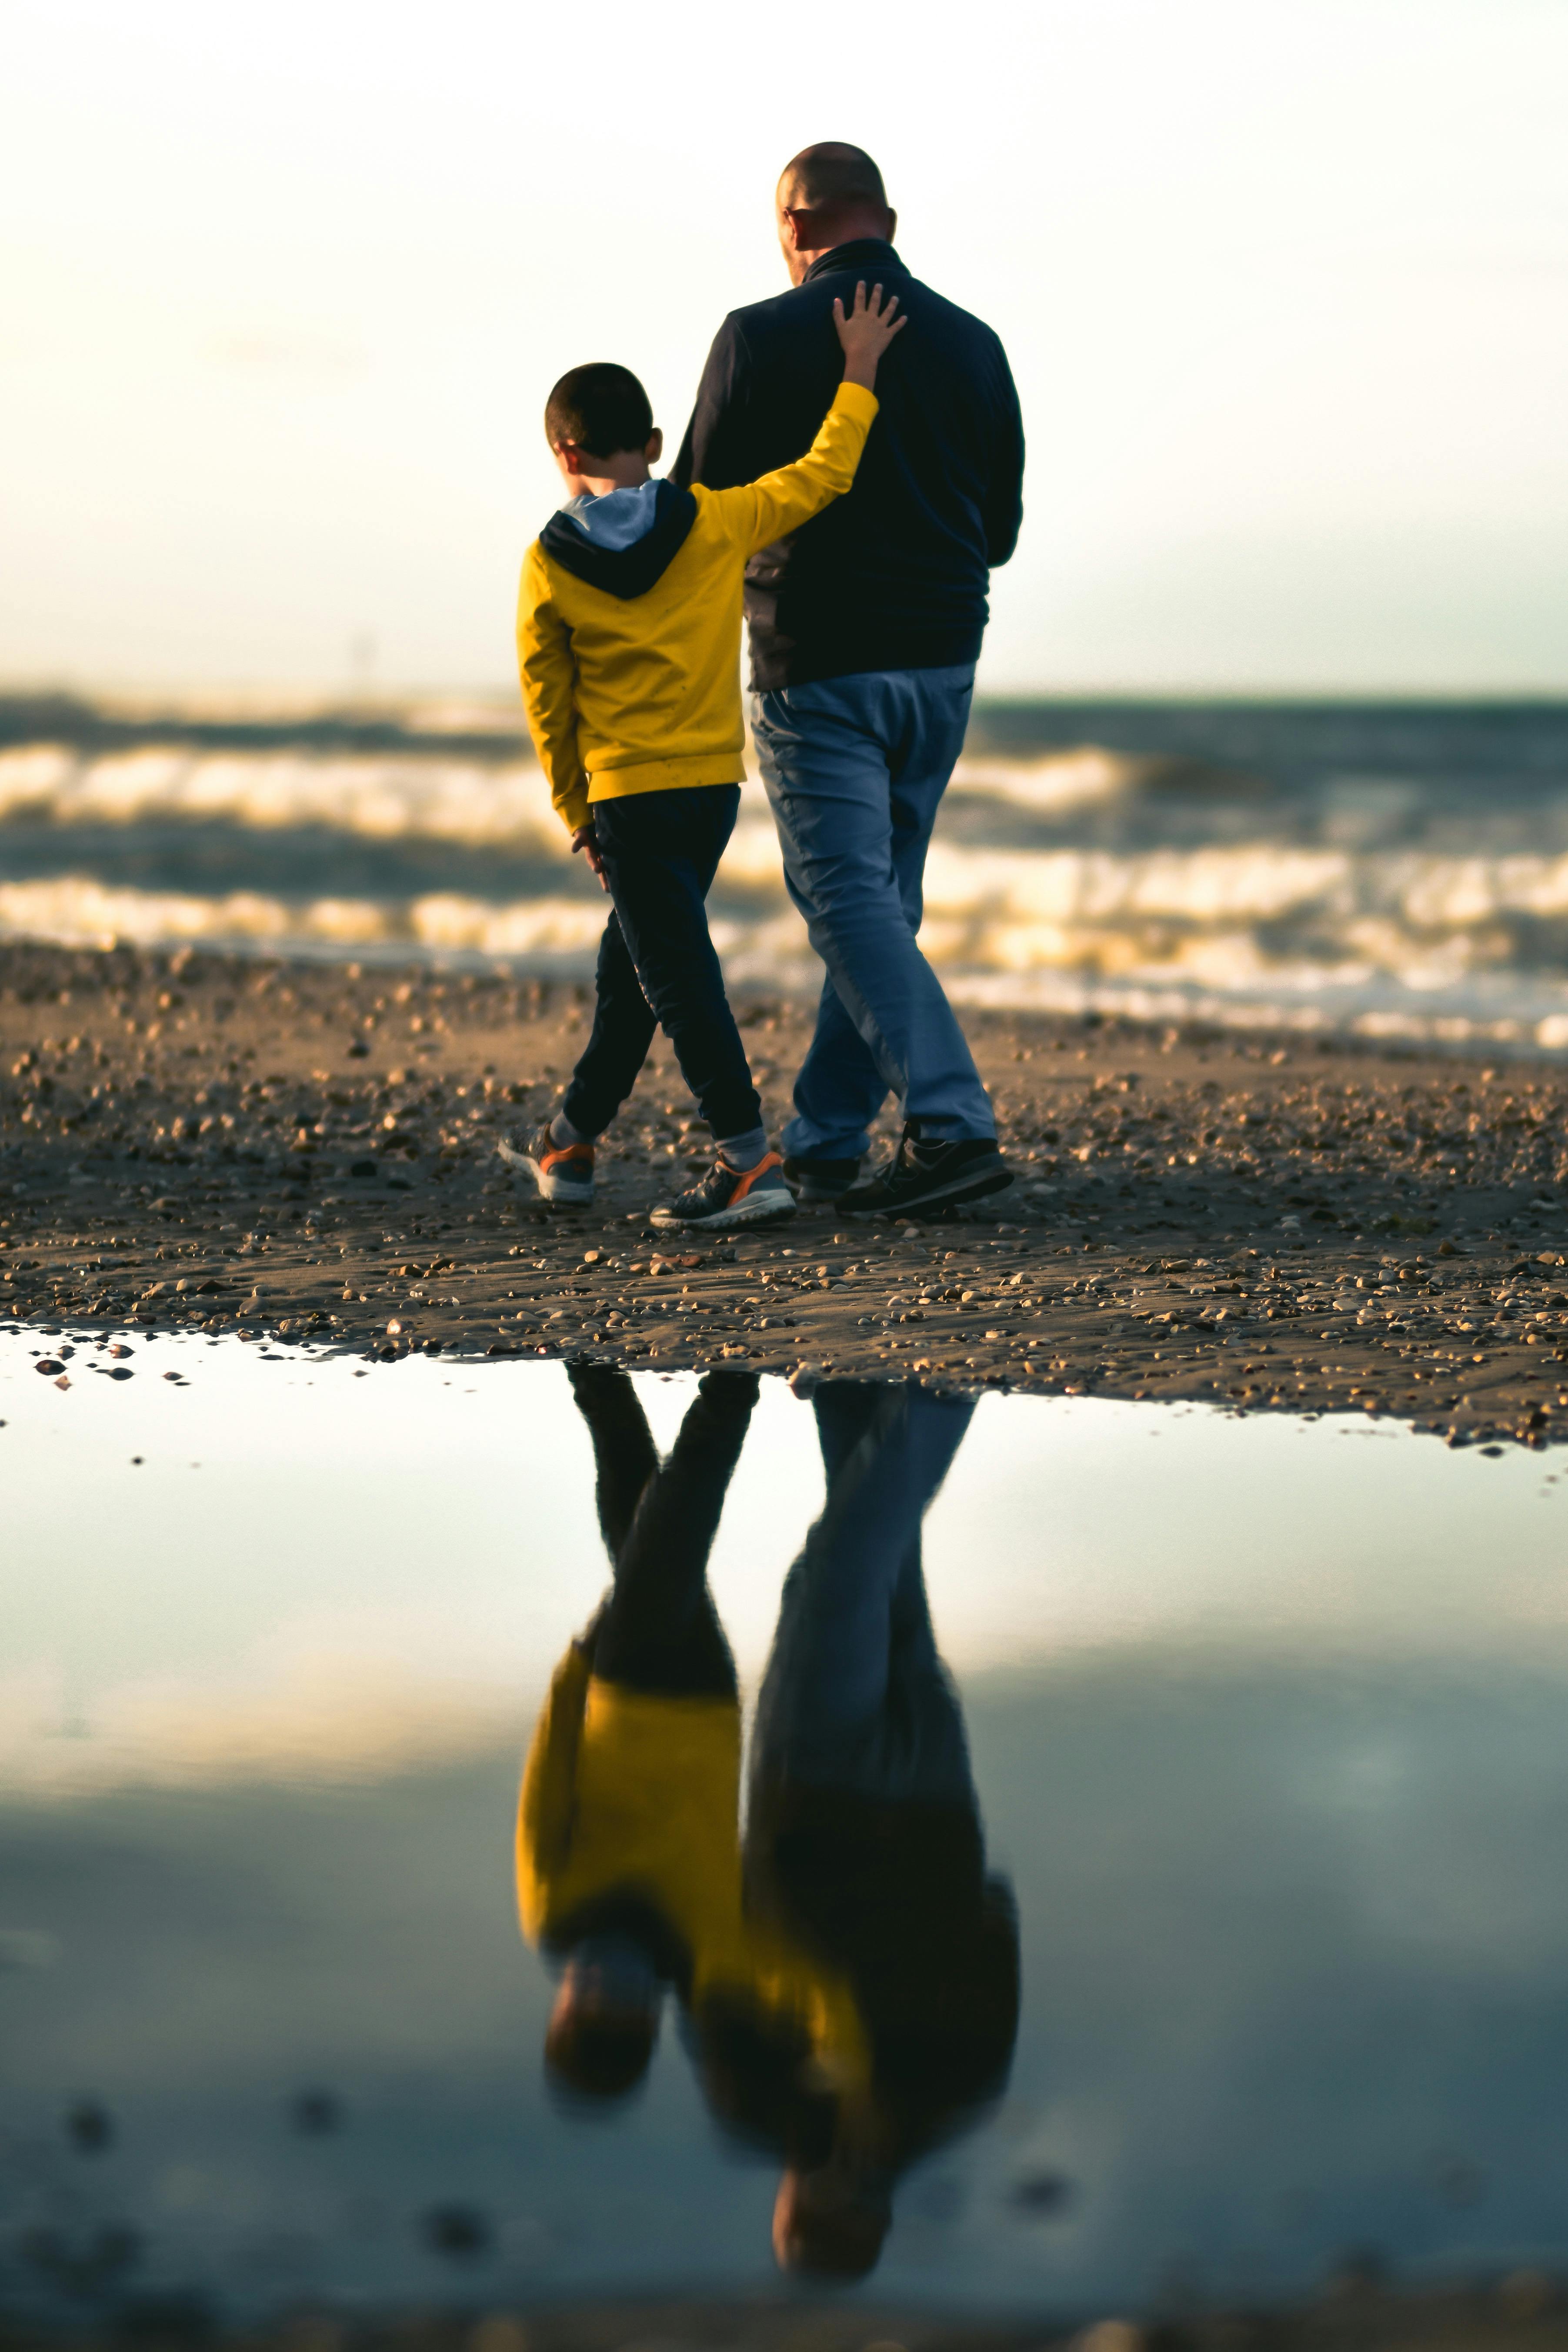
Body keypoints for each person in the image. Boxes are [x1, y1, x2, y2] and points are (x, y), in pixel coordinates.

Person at [504, 283, 907, 1233]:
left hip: (628, 799)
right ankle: (569, 1138)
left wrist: (577, 813)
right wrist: (858, 369)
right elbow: (823, 474)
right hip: (711, 793)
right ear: (650, 441)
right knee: (637, 969)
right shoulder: (714, 517)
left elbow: (546, 701)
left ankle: (745, 1156)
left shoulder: (548, 562)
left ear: (563, 455)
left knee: (676, 978)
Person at [672, 143, 1026, 1220]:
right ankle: (827, 1137)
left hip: (816, 655)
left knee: (846, 900)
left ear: (793, 227)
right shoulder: (973, 343)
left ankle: (952, 1123)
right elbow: (1000, 533)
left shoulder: (759, 336)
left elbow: (691, 514)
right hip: (942, 659)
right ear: (889, 221)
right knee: (882, 900)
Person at [719, 1380, 1020, 2279]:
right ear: (795, 2206)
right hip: (815, 1797)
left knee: (877, 1568)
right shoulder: (765, 2106)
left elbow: (998, 1949)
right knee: (838, 1577)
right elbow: (722, 1970)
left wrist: (977, 1892)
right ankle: (941, 1400)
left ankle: (857, 1390)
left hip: (933, 1809)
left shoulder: (952, 2100)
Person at [516, 1365, 867, 2113]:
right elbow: (824, 1994)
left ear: (563, 2013)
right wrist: (848, 2079)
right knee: (648, 1528)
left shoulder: (559, 1914)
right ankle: (642, 1372)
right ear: (645, 2022)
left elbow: (547, 1778)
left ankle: (690, 1384)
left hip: (630, 1684)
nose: (600, 1997)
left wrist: (577, 1664)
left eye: (585, 2012)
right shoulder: (710, 1960)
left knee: (661, 1537)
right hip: (697, 1695)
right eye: (616, 2015)